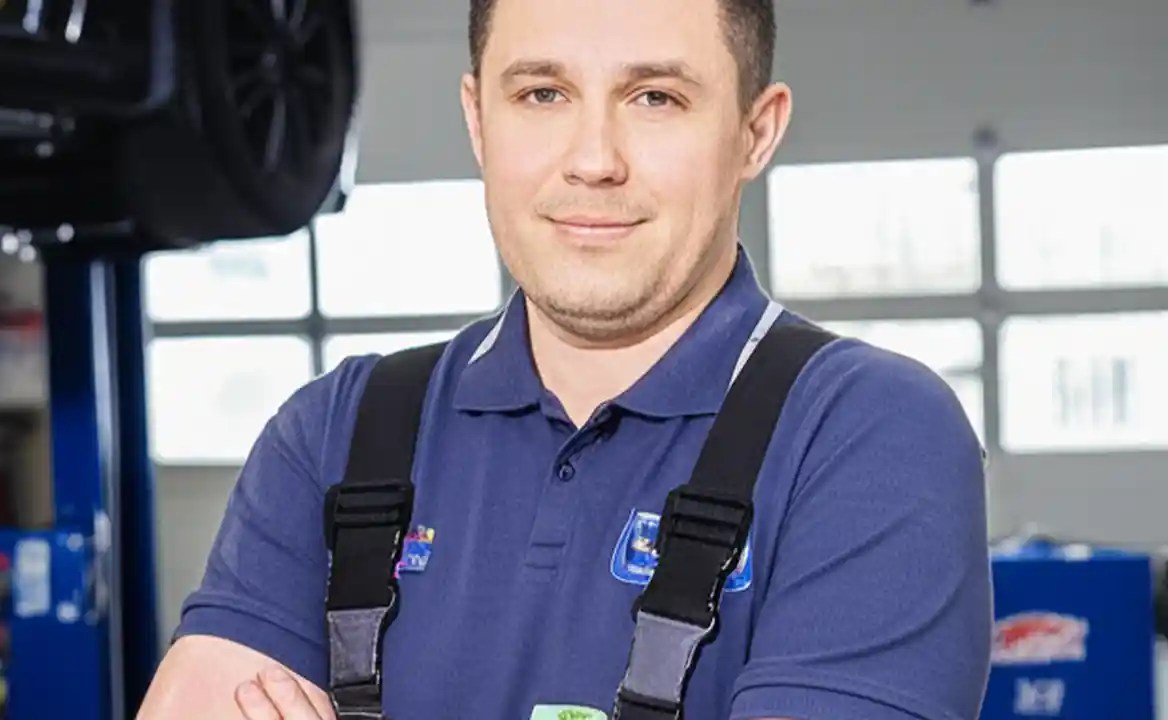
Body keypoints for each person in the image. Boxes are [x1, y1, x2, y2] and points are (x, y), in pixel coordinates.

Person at [136, 0, 992, 717]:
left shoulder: (866, 433)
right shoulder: (337, 431)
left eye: (655, 97)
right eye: (542, 94)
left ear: (754, 132)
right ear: (478, 119)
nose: (593, 161)